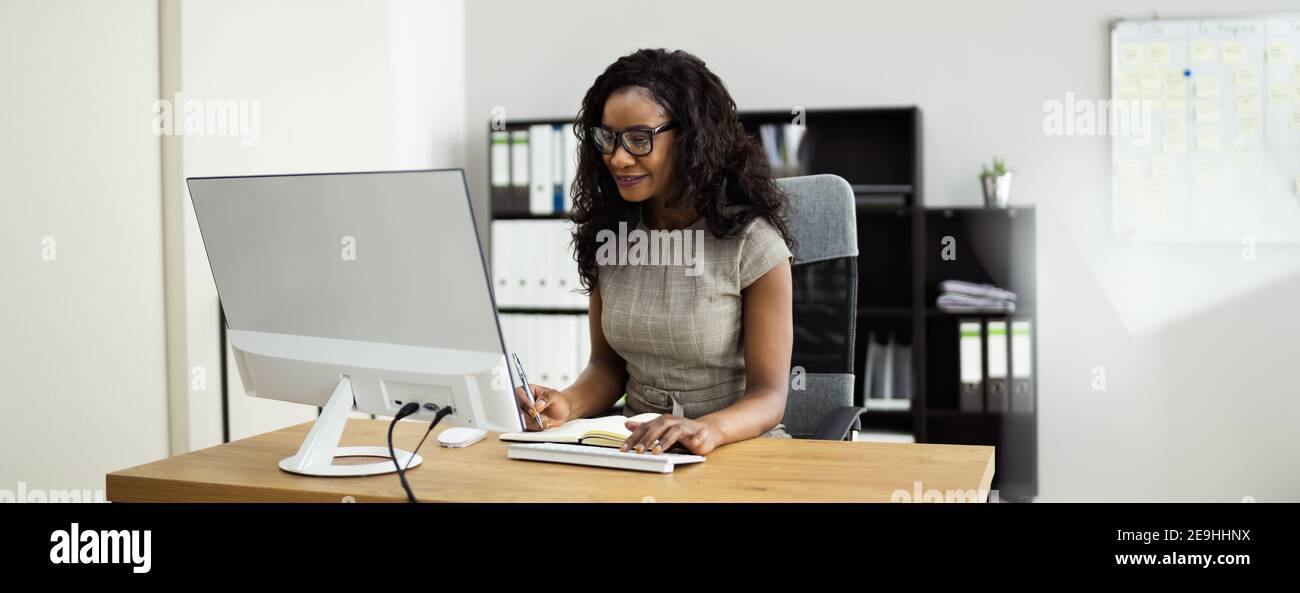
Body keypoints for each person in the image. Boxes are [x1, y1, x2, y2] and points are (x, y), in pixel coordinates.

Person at [515, 48, 794, 456]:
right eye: (607, 138)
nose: (618, 157)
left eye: (639, 139)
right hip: (637, 450)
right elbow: (607, 368)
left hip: (733, 448)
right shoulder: (611, 235)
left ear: (691, 138)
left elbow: (769, 395)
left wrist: (704, 430)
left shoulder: (753, 243)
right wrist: (567, 404)